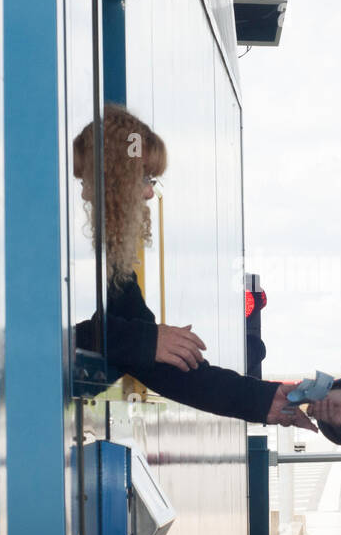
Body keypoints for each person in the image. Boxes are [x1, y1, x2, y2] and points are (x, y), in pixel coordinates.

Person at [71, 104, 315, 431]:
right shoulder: (56, 234)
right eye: (144, 177)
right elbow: (34, 339)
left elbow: (160, 365)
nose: (148, 192)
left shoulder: (113, 257)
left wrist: (263, 400)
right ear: (115, 173)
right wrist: (143, 341)